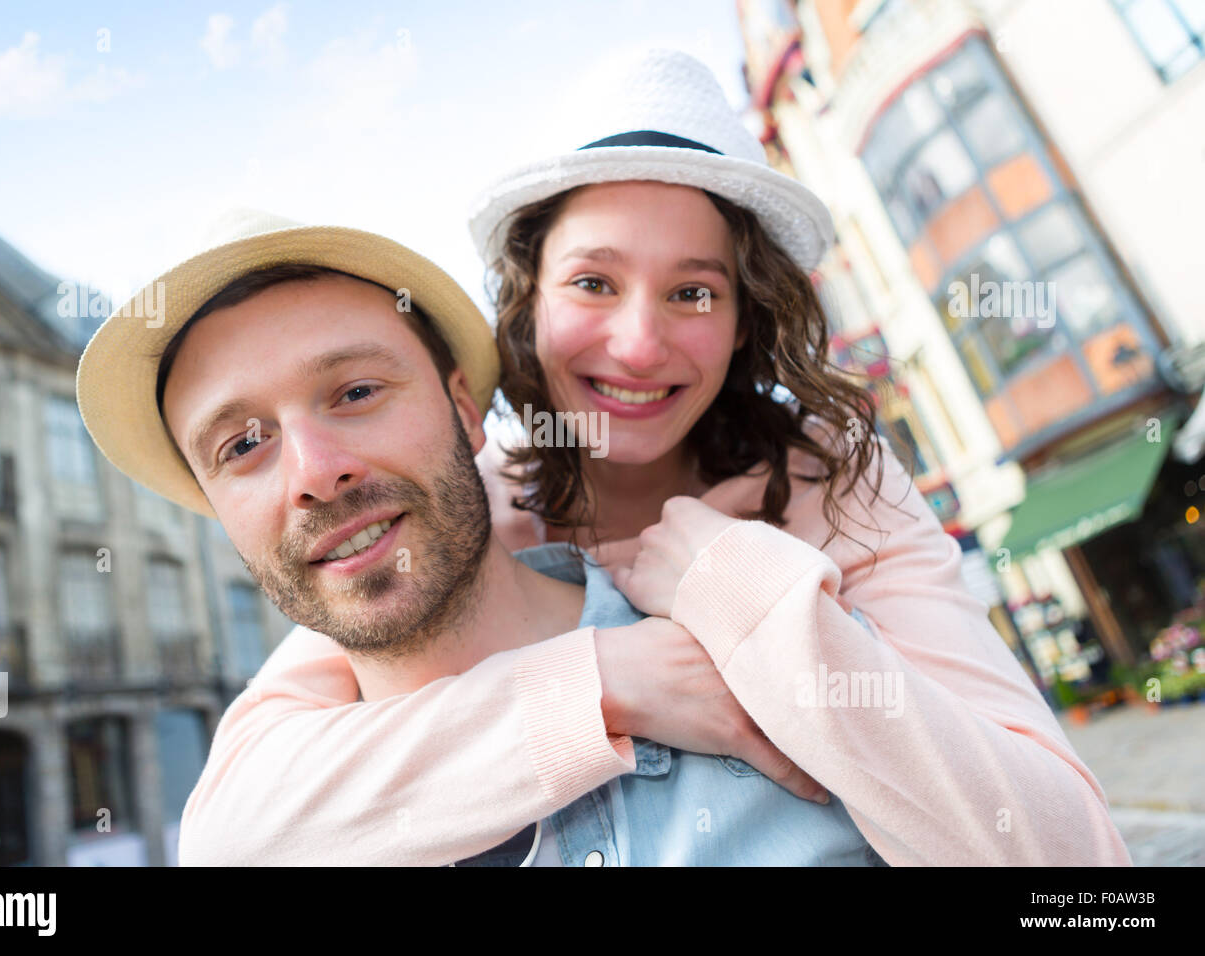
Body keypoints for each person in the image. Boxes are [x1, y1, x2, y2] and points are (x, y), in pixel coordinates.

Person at [168, 50, 1129, 866]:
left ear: (745, 317)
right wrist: (609, 680)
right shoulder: (462, 511)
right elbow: (238, 829)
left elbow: (1070, 857)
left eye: (693, 293)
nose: (636, 345)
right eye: (593, 281)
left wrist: (736, 589)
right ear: (528, 301)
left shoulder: (834, 481)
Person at [76, 210, 880, 866]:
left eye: (356, 391)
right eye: (242, 446)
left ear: (466, 412)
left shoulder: (762, 652)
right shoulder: (264, 809)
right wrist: (599, 684)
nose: (314, 474)